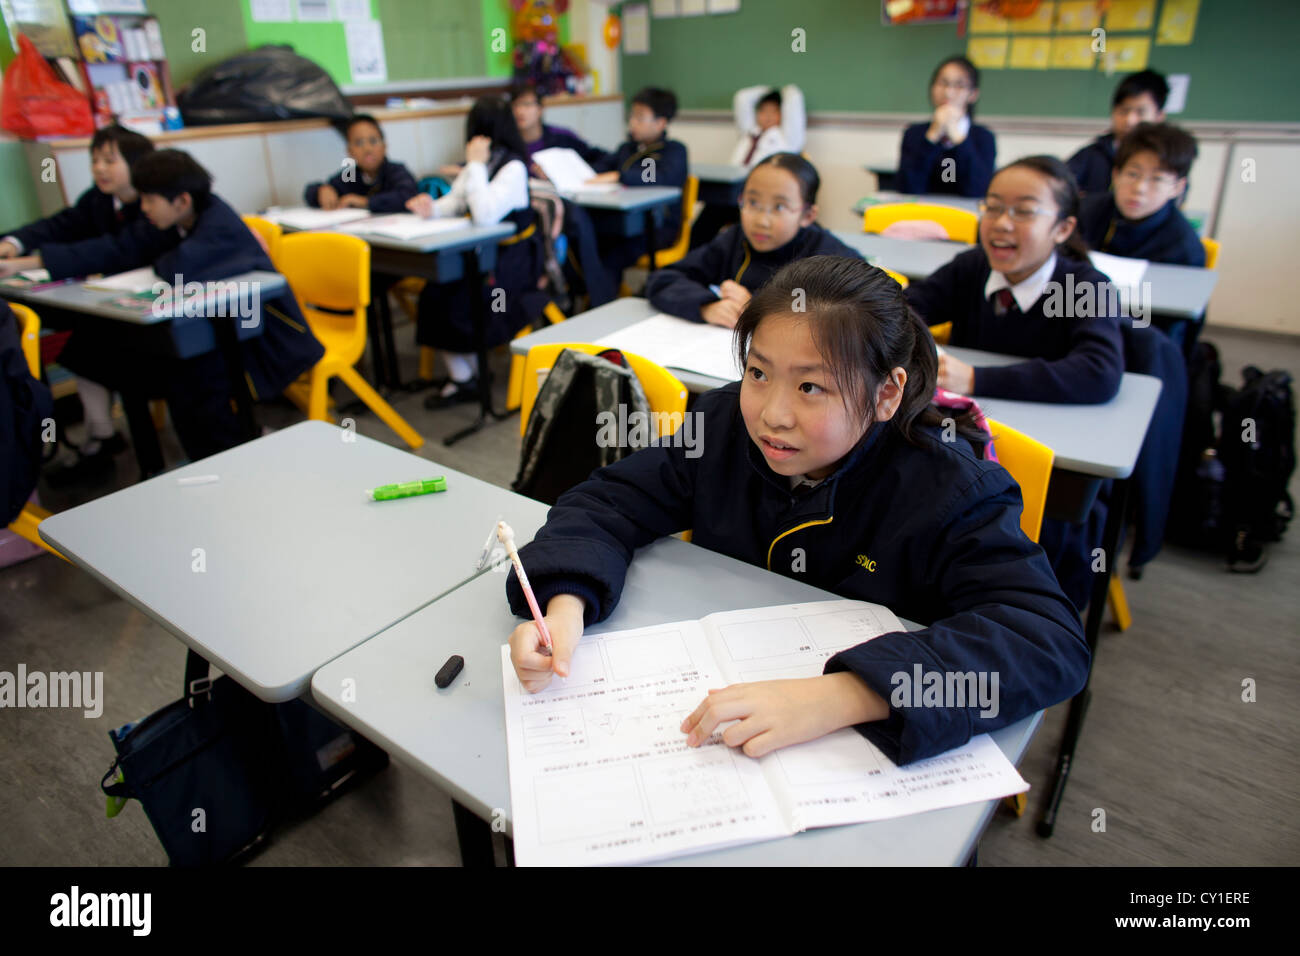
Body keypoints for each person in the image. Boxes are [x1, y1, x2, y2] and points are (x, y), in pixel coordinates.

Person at [503, 255, 1089, 766]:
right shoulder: (723, 424)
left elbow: (1046, 641)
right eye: (758, 373)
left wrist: (850, 694)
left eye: (811, 387)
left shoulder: (951, 489)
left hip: (850, 753)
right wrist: (566, 604)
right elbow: (611, 498)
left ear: (887, 393)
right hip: (718, 700)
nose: (771, 414)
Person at [0, 150, 325, 463]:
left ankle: (231, 449)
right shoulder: (176, 217)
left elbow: (175, 266)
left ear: (181, 201)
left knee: (191, 373)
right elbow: (129, 248)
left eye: (149, 200)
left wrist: (159, 256)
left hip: (263, 338)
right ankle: (168, 451)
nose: (143, 208)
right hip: (212, 327)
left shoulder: (218, 223)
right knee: (95, 349)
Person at [0, 125, 154, 484]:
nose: (100, 168)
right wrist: (14, 242)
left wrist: (29, 263)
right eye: (95, 160)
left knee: (94, 351)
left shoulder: (151, 204)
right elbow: (61, 225)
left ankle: (119, 447)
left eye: (110, 160)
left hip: (149, 322)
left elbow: (110, 249)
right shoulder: (100, 201)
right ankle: (101, 437)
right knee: (81, 350)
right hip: (109, 312)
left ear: (137, 164)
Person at [406, 97, 546, 406]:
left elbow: (484, 214)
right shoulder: (479, 165)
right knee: (435, 293)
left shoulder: (512, 167)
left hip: (511, 262)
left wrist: (476, 165)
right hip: (481, 256)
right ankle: (465, 376)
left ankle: (470, 376)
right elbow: (456, 201)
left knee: (470, 302)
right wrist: (431, 208)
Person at [647, 153, 861, 328]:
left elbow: (856, 307)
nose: (761, 220)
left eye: (779, 207)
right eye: (752, 202)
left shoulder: (826, 254)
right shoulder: (733, 240)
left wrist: (757, 306)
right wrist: (707, 306)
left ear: (807, 216)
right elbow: (664, 279)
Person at [588, 87, 689, 280]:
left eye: (640, 118)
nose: (632, 123)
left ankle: (603, 301)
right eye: (632, 116)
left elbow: (653, 177)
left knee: (611, 256)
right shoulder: (628, 148)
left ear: (661, 123)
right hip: (624, 223)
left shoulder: (671, 151)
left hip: (656, 227)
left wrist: (619, 176)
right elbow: (602, 167)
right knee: (589, 244)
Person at [1077, 122, 1204, 266]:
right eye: (1132, 174)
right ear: (1116, 174)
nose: (1139, 188)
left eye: (1157, 179)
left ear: (1177, 188)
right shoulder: (1082, 213)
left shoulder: (1185, 250)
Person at [896, 56, 995, 198]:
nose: (948, 92)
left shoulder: (983, 137)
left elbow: (977, 190)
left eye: (959, 85)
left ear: (973, 94)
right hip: (923, 214)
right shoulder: (914, 134)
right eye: (943, 83)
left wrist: (957, 137)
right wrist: (932, 136)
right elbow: (907, 188)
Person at [1067, 69, 1168, 196]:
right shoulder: (1090, 154)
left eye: (1140, 112)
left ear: (1159, 116)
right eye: (1124, 111)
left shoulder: (1166, 162)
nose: (1129, 120)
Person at [303, 114, 419, 212]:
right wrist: (322, 190)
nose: (367, 149)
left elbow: (408, 195)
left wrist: (365, 202)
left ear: (384, 146)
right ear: (350, 151)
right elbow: (310, 192)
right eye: (359, 143)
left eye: (373, 141)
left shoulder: (396, 171)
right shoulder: (349, 176)